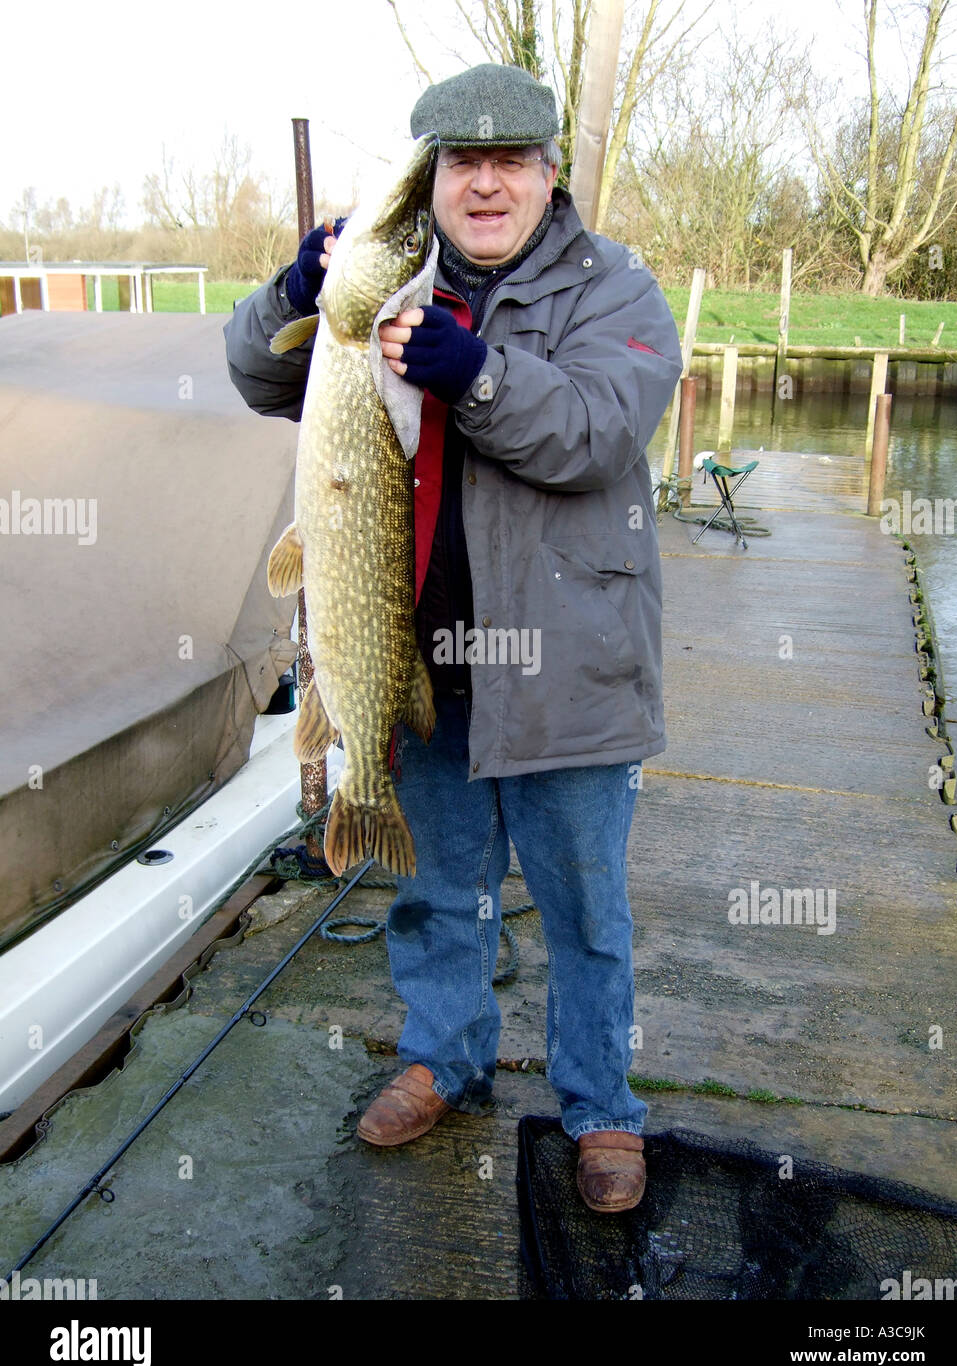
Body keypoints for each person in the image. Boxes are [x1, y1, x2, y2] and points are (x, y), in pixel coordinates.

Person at [224, 63, 683, 1214]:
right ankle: (442, 1054)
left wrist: (476, 372)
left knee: (583, 908)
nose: (485, 185)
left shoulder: (617, 290)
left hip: (571, 668)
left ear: (547, 174)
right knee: (436, 891)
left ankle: (602, 1106)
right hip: (412, 656)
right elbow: (255, 370)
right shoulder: (382, 293)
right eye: (460, 165)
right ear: (434, 179)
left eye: (509, 162)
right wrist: (291, 288)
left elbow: (592, 431)